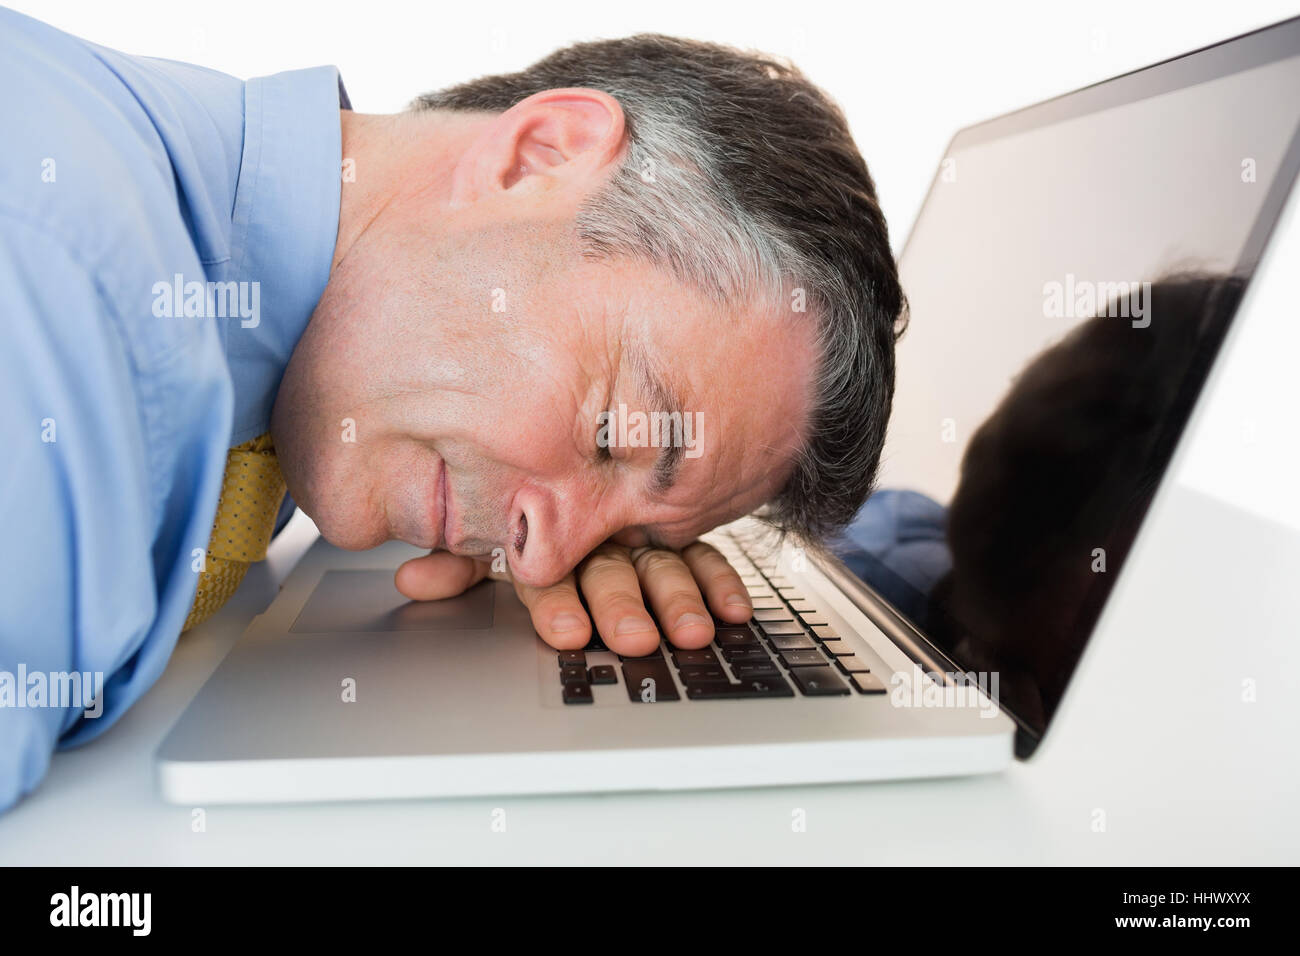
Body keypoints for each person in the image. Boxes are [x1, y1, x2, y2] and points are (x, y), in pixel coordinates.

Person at [0, 10, 905, 809]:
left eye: (626, 538)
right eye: (611, 435)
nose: (538, 554)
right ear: (538, 155)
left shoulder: (296, 350)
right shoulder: (65, 311)